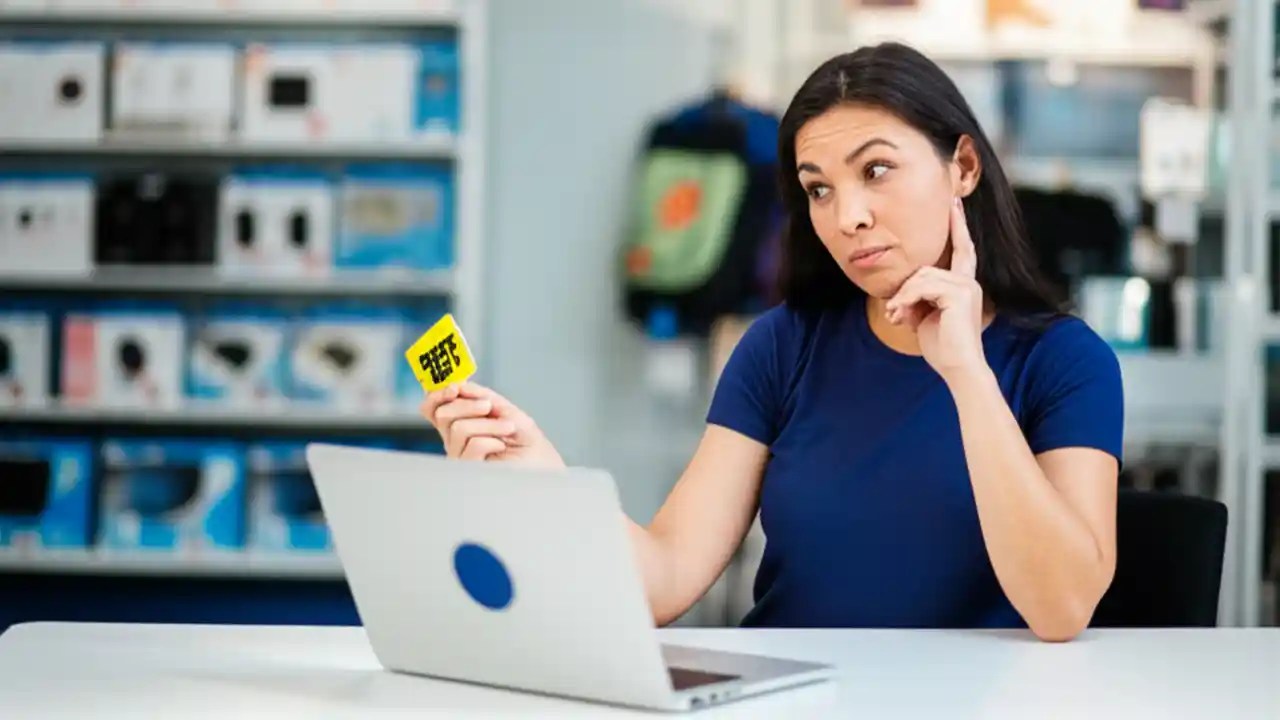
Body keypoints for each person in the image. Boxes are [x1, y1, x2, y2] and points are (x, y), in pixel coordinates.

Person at [421, 43, 1123, 642]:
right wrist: (544, 480)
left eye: (876, 170)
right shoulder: (783, 346)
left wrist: (968, 375)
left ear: (963, 168)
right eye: (819, 190)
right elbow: (662, 580)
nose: (848, 216)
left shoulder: (1064, 362)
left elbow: (1060, 608)